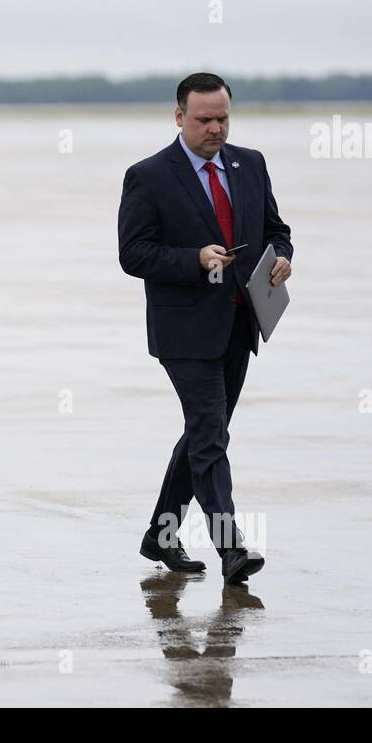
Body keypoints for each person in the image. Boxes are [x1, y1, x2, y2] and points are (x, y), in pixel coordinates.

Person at [118, 72, 293, 584]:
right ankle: (231, 547)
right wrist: (194, 258)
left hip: (242, 320)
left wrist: (282, 257)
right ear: (179, 117)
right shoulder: (148, 176)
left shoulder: (250, 163)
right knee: (210, 435)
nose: (216, 128)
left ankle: (161, 534)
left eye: (223, 118)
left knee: (204, 434)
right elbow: (133, 254)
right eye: (204, 120)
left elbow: (276, 230)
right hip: (184, 331)